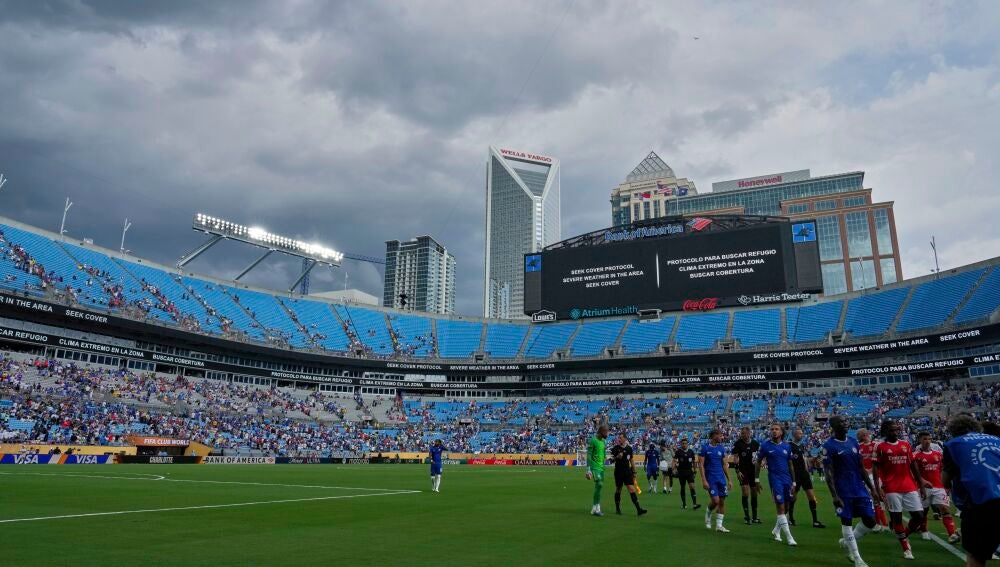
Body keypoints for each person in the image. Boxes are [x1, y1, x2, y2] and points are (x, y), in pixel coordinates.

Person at [943, 415, 1000, 567]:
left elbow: (945, 480)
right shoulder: (997, 440)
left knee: (976, 557)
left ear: (953, 431)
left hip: (983, 503)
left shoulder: (954, 444)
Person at [824, 415, 878, 567]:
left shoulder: (854, 442)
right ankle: (857, 558)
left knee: (871, 521)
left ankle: (846, 541)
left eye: (846, 421)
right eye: (841, 422)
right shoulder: (829, 446)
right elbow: (828, 472)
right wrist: (834, 495)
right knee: (846, 523)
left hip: (859, 488)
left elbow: (861, 467)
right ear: (834, 426)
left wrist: (872, 488)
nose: (846, 423)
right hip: (843, 490)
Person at [872, 419, 925, 560]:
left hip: (909, 485)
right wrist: (877, 488)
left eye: (897, 430)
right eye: (892, 430)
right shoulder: (880, 446)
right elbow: (875, 468)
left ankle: (904, 536)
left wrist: (920, 484)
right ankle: (906, 548)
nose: (895, 432)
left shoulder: (905, 444)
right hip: (891, 487)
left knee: (919, 516)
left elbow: (913, 465)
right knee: (897, 518)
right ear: (885, 431)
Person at [913, 431, 959, 542]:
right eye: (925, 439)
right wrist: (922, 483)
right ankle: (924, 530)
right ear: (919, 440)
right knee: (924, 511)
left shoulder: (938, 454)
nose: (927, 441)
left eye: (929, 439)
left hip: (938, 486)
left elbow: (943, 469)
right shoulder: (916, 456)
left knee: (944, 508)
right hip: (923, 488)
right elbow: (914, 472)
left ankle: (951, 534)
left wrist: (945, 484)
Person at [756, 423, 797, 546]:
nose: (774, 431)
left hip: (787, 479)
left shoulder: (787, 446)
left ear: (781, 432)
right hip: (775, 479)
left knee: (787, 507)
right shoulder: (765, 446)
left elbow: (790, 464)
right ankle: (789, 537)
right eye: (772, 429)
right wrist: (756, 480)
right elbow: (758, 462)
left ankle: (776, 530)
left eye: (776, 429)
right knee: (780, 507)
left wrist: (794, 482)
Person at [788, 428, 825, 528]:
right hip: (795, 475)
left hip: (804, 474)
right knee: (793, 497)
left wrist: (808, 468)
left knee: (811, 496)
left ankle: (815, 521)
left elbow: (804, 458)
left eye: (802, 433)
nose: (802, 435)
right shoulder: (789, 446)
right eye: (799, 433)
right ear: (794, 435)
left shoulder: (802, 446)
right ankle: (790, 518)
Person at [698, 429, 732, 532]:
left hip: (721, 479)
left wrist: (729, 480)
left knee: (722, 502)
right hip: (711, 479)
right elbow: (701, 465)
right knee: (715, 501)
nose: (722, 437)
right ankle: (708, 513)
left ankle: (719, 526)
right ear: (714, 436)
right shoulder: (705, 448)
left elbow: (724, 465)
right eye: (720, 435)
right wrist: (704, 480)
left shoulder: (721, 448)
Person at [857, 428, 889, 531]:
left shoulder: (876, 445)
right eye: (864, 434)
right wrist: (865, 470)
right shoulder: (858, 447)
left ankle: (883, 523)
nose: (867, 435)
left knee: (880, 498)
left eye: (867, 433)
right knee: (872, 499)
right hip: (865, 476)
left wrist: (873, 469)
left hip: (876, 475)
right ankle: (879, 523)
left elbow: (881, 459)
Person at [610, 433, 648, 516]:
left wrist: (634, 472)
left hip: (627, 472)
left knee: (632, 489)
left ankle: (639, 509)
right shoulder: (615, 448)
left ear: (625, 439)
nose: (619, 439)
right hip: (618, 472)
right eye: (618, 437)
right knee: (618, 489)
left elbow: (631, 460)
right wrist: (617, 457)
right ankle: (617, 508)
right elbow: (610, 460)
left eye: (620, 437)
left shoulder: (629, 449)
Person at [732, 426, 761, 525]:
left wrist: (761, 463)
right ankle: (747, 516)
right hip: (743, 471)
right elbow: (735, 458)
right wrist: (737, 471)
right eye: (741, 433)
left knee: (754, 493)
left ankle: (755, 517)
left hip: (753, 471)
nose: (742, 435)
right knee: (745, 492)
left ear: (749, 433)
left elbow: (758, 458)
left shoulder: (755, 444)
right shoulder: (738, 444)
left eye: (744, 433)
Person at [585, 424, 609, 516]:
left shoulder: (604, 441)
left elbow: (603, 453)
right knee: (599, 484)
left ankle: (595, 507)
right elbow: (589, 455)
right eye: (605, 432)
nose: (607, 433)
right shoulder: (593, 440)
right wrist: (588, 470)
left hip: (601, 467)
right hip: (594, 467)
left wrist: (604, 460)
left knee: (599, 487)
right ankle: (596, 508)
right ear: (600, 431)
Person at [674, 437, 701, 510]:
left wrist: (695, 470)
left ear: (687, 444)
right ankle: (684, 504)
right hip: (681, 472)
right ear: (681, 444)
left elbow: (693, 462)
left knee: (692, 487)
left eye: (685, 443)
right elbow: (674, 460)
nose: (684, 445)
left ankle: (694, 504)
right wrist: (674, 469)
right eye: (683, 443)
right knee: (682, 487)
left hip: (689, 472)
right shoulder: (678, 452)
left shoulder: (691, 452)